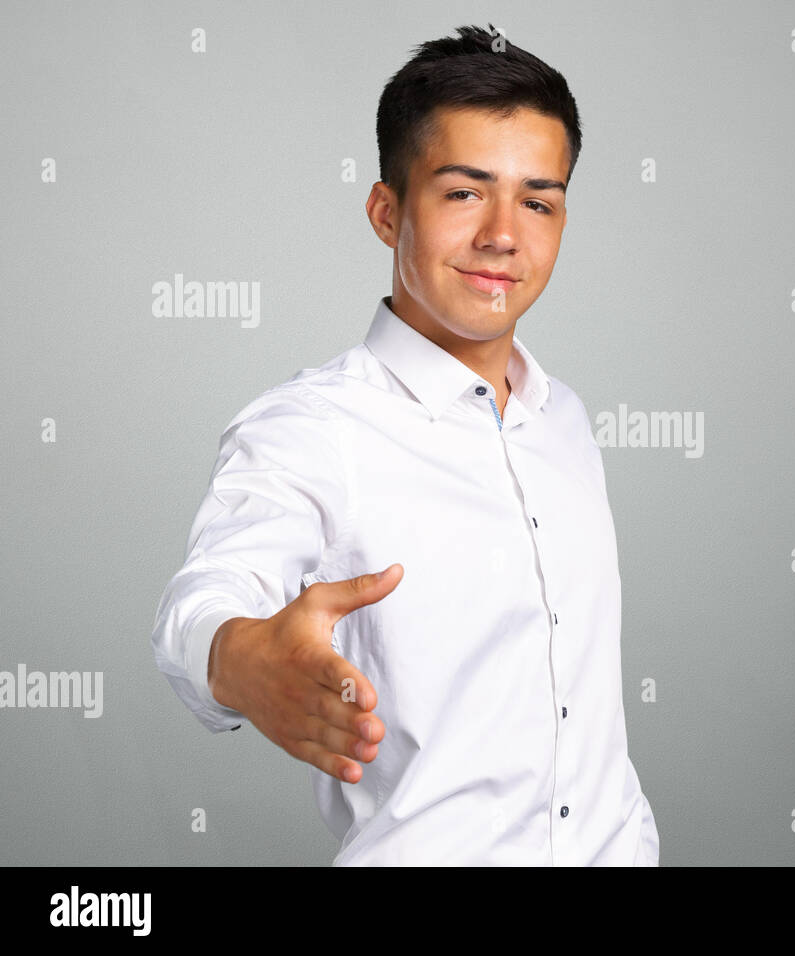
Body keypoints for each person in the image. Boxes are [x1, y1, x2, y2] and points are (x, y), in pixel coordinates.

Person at [150, 24, 659, 866]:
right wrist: (242, 659)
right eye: (464, 192)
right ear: (388, 212)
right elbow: (203, 601)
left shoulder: (563, 419)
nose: (505, 234)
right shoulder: (312, 427)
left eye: (538, 200)